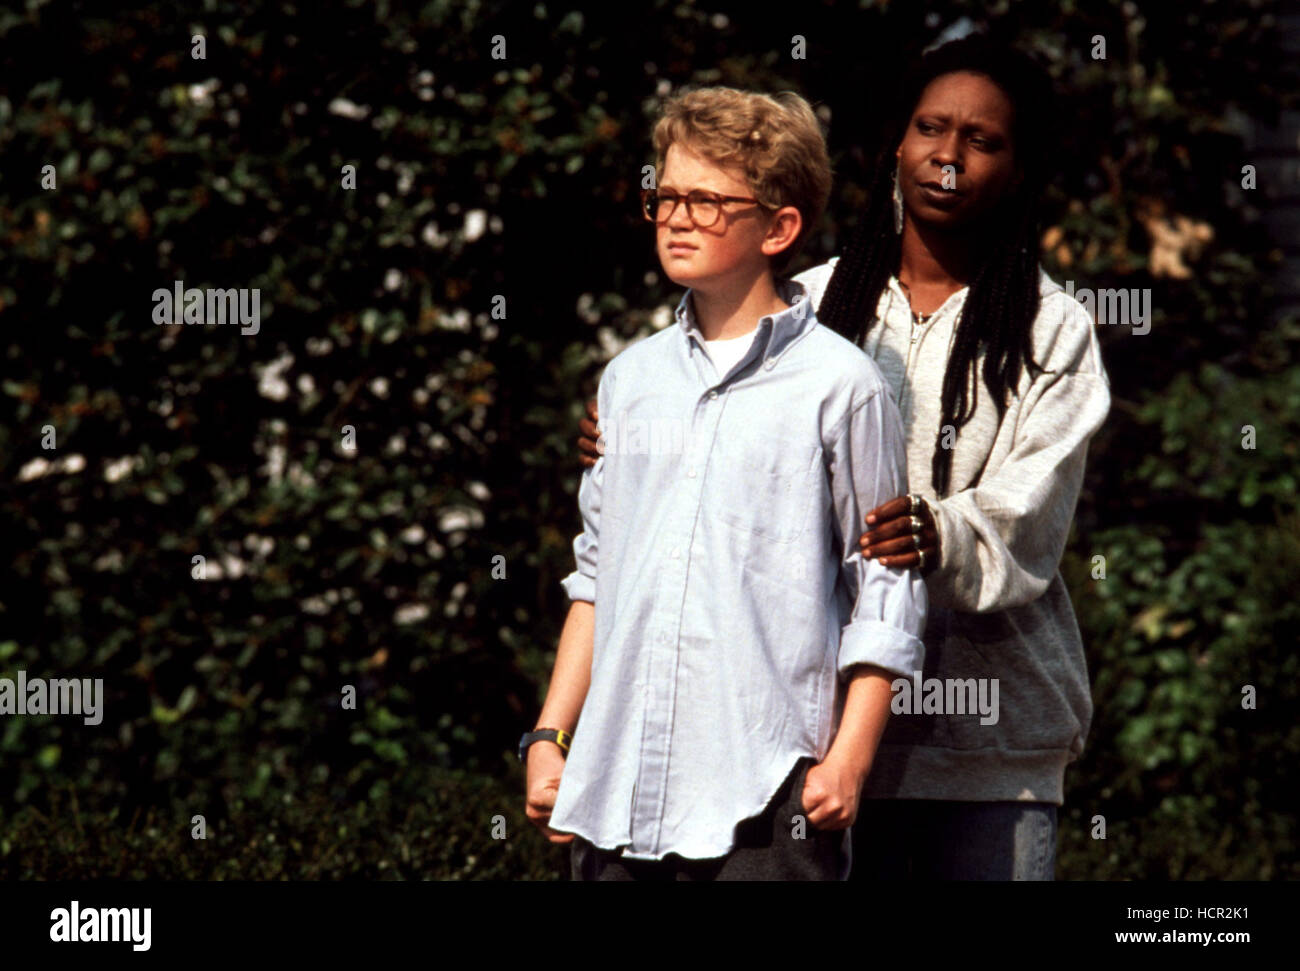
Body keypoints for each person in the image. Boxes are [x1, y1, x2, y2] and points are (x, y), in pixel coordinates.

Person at [577, 35, 1112, 880]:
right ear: (896, 144)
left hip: (984, 751)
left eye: (983, 140)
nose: (948, 155)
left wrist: (930, 532)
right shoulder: (810, 304)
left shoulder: (1052, 330)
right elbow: (701, 409)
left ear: (1021, 167)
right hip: (808, 747)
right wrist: (635, 436)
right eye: (931, 128)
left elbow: (1031, 515)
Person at [524, 86, 927, 880]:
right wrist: (548, 737)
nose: (676, 216)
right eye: (666, 195)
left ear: (780, 228)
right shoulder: (627, 381)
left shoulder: (842, 388)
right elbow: (597, 575)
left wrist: (848, 760)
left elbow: (886, 584)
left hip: (765, 795)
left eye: (707, 201)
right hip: (612, 793)